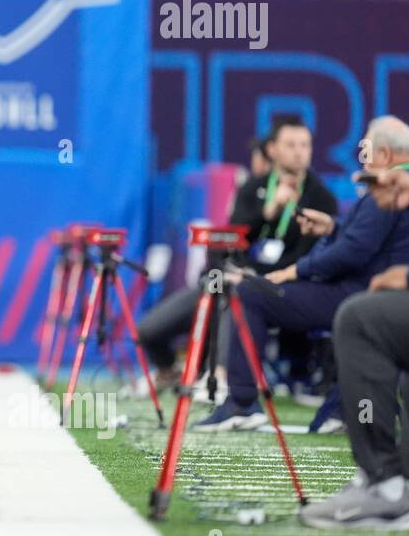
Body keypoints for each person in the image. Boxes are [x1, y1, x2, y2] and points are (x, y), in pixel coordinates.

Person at [200, 116, 409, 431]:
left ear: (384, 154)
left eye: (366, 146)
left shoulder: (389, 184)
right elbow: (371, 240)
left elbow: (353, 252)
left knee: (250, 295)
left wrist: (294, 272)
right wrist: (333, 227)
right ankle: (348, 411)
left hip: (360, 293)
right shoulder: (401, 184)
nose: (361, 152)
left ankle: (242, 403)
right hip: (375, 292)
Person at [137, 116, 335, 393]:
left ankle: (219, 378)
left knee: (239, 296)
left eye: (305, 145)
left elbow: (308, 259)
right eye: (291, 144)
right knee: (148, 331)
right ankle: (170, 372)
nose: (299, 151)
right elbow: (230, 240)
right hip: (230, 278)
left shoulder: (322, 199)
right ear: (273, 150)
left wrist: (254, 276)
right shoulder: (252, 189)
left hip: (280, 288)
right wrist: (268, 213)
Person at [300, 163, 409, 529]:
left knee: (360, 320)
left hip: (352, 286)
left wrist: (295, 271)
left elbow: (354, 253)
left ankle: (386, 483)